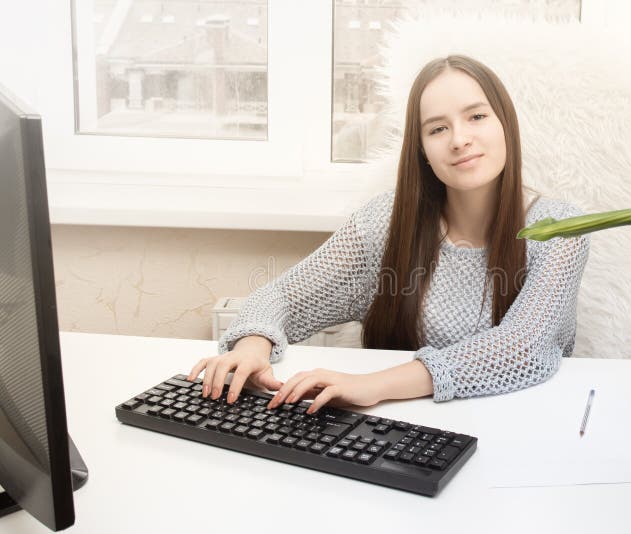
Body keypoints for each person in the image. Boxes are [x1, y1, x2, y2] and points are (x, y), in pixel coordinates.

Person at [187, 55, 590, 414]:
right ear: (422, 151)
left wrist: (370, 386)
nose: (459, 139)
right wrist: (252, 345)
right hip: (403, 428)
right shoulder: (386, 222)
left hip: (524, 423)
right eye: (437, 129)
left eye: (477, 117)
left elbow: (522, 347)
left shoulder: (562, 231)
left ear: (506, 125)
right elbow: (282, 296)